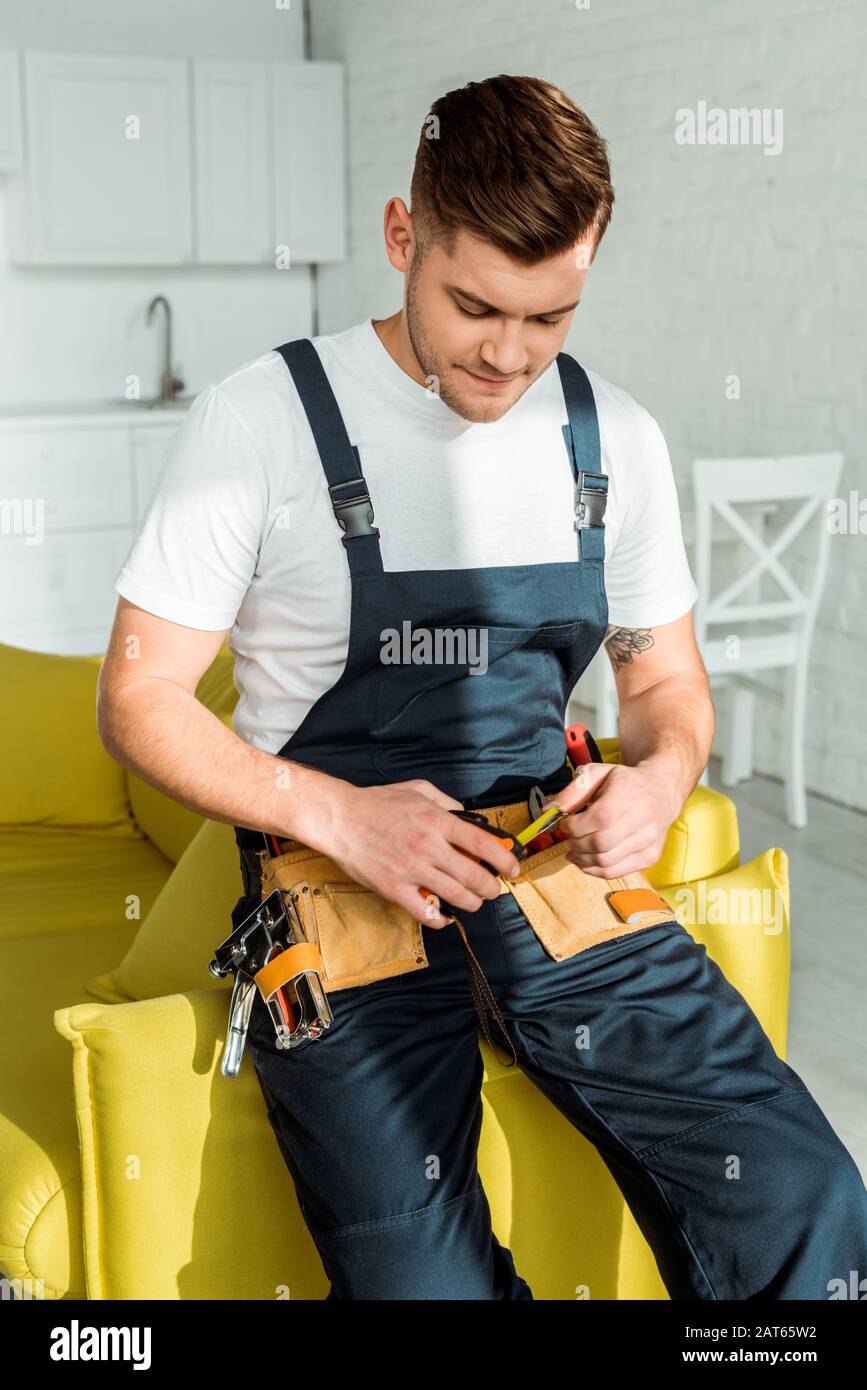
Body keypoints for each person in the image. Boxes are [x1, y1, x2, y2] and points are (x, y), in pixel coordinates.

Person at [97, 74, 867, 1300]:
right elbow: (137, 698)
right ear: (403, 236)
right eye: (475, 306)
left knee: (807, 1195)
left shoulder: (614, 438)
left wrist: (660, 778)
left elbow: (666, 682)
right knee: (423, 1287)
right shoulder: (265, 420)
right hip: (338, 887)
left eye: (550, 316)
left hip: (554, 869)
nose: (509, 354)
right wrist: (343, 814)